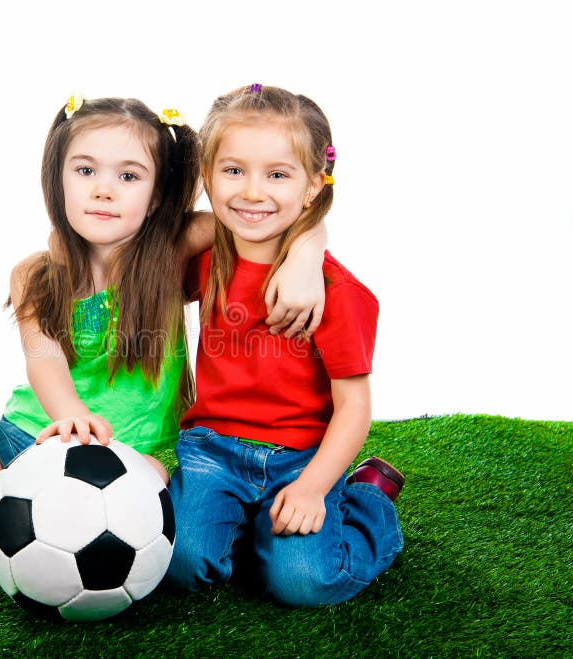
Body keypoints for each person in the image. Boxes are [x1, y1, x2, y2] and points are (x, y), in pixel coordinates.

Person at [0, 94, 328, 548]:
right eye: (86, 169)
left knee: (152, 488)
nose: (104, 190)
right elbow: (43, 356)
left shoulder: (169, 250)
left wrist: (309, 251)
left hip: (128, 458)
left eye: (129, 176)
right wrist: (67, 413)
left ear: (157, 195)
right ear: (59, 179)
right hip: (30, 437)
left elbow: (253, 213)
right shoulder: (34, 274)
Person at [165, 84, 404, 607]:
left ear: (314, 186)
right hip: (213, 449)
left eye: (277, 174)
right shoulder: (205, 255)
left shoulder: (340, 294)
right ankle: (253, 526)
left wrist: (316, 485)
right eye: (233, 170)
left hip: (302, 456)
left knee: (304, 583)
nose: (252, 192)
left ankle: (368, 505)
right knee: (179, 563)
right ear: (206, 175)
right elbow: (133, 248)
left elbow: (354, 406)